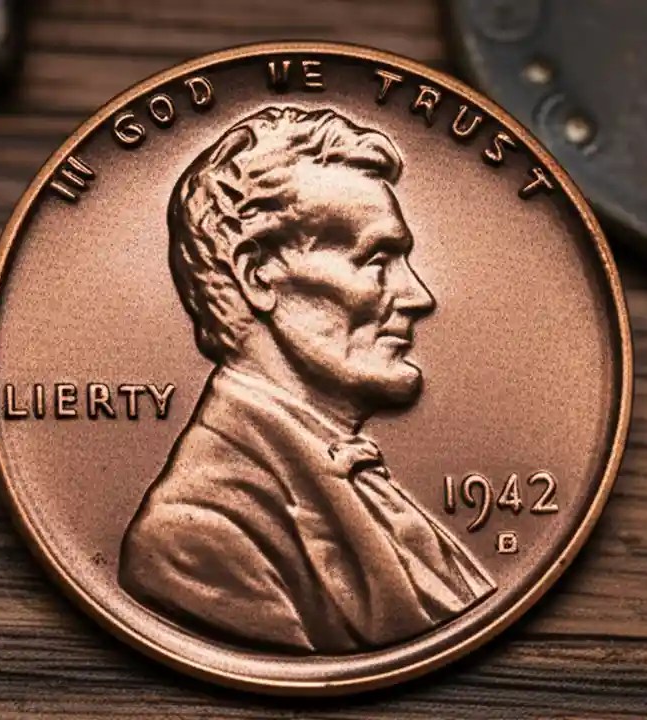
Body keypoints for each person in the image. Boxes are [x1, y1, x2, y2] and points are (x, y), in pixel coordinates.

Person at [118, 106, 494, 654]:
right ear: (257, 276)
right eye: (377, 260)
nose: (418, 297)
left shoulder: (357, 482)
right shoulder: (195, 536)